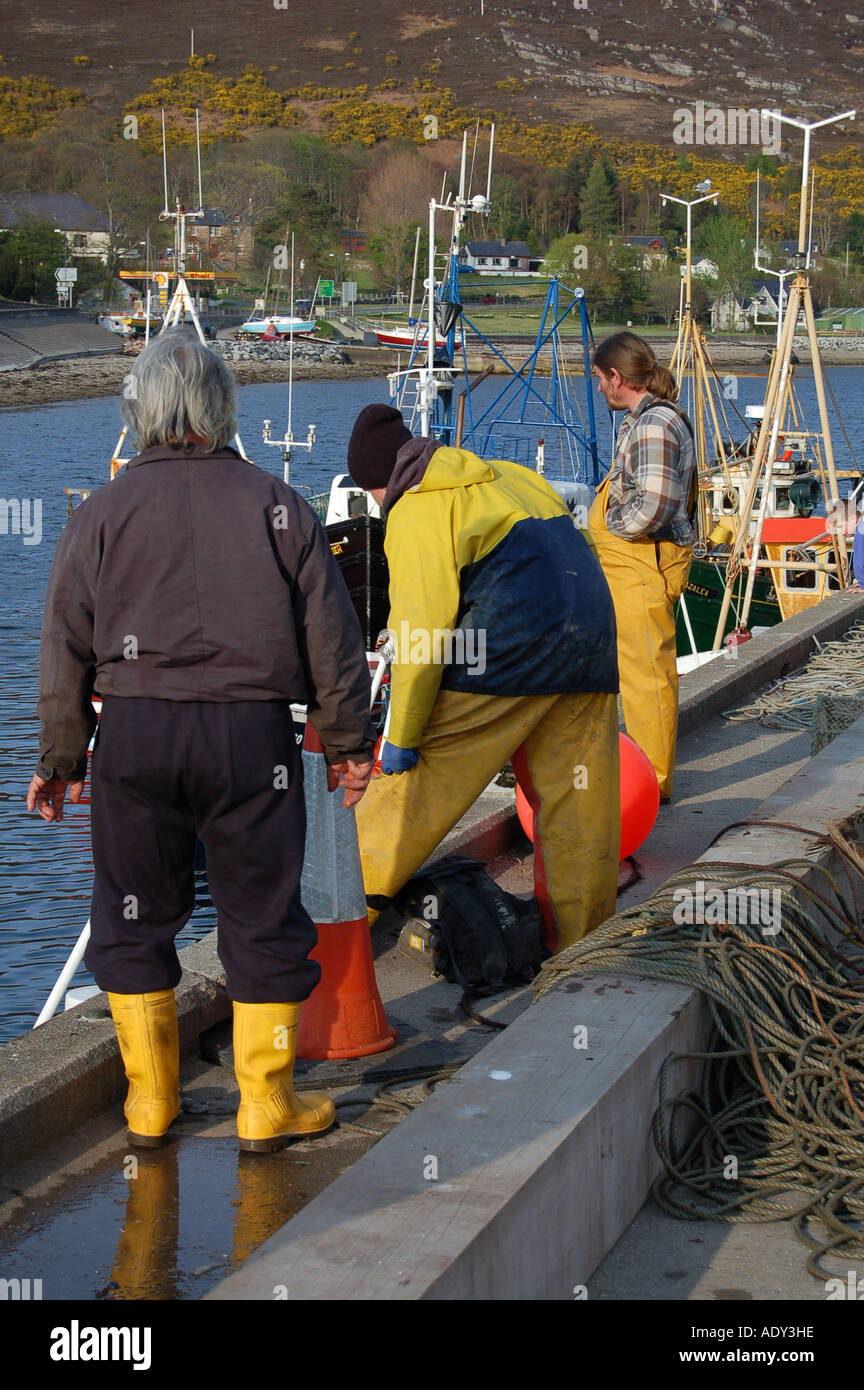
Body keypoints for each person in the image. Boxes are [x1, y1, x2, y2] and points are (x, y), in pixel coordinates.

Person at [26, 329, 376, 1153]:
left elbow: (64, 644)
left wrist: (60, 759)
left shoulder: (100, 514)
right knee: (262, 916)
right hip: (250, 742)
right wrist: (349, 740)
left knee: (131, 916)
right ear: (221, 411)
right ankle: (266, 1104)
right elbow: (334, 634)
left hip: (136, 739)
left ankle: (151, 1105)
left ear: (139, 412)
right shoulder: (280, 504)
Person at [346, 403, 621, 953]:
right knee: (579, 809)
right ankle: (581, 951)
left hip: (508, 654)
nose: (377, 509)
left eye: (372, 497)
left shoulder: (417, 509)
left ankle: (331, 925)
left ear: (381, 483)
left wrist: (401, 736)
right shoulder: (511, 477)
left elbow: (422, 631)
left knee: (409, 795)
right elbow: (582, 548)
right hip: (589, 644)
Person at [586, 331, 696, 802]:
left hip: (642, 560)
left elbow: (654, 504)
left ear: (617, 376)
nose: (597, 389)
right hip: (633, 563)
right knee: (633, 670)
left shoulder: (653, 425)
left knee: (647, 675)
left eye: (599, 378)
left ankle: (652, 784)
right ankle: (641, 773)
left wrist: (611, 521)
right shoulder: (645, 418)